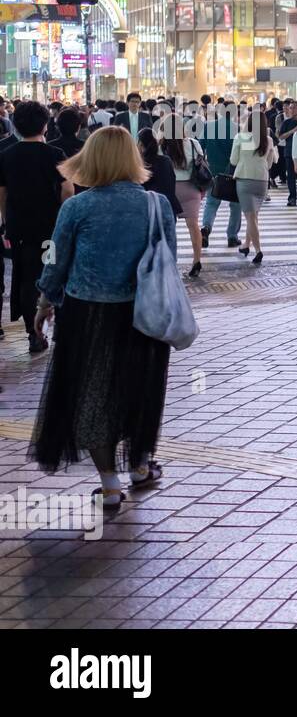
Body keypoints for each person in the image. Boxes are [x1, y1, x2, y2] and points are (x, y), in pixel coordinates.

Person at [29, 126, 175, 511]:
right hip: (143, 315)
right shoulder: (155, 205)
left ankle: (110, 485)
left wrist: (45, 302)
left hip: (86, 315)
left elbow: (55, 260)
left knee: (92, 396)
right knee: (138, 391)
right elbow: (168, 262)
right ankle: (141, 465)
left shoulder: (77, 206)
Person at [0, 101, 73, 353]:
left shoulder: (6, 155)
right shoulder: (55, 155)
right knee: (52, 272)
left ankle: (33, 333)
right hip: (50, 228)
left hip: (20, 229)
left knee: (25, 277)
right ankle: (60, 328)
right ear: (45, 125)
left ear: (17, 125)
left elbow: (3, 194)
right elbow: (67, 189)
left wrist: (6, 221)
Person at [155, 113, 206, 279]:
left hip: (170, 189)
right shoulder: (193, 143)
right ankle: (197, 260)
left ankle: (170, 262)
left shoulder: (160, 146)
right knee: (194, 227)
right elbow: (202, 163)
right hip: (191, 189)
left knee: (170, 228)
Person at [231, 111, 277, 264]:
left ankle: (258, 250)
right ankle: (246, 244)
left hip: (245, 179)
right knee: (254, 217)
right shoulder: (268, 140)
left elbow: (233, 160)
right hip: (262, 181)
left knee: (250, 218)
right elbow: (270, 163)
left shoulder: (241, 138)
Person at [200, 105, 241, 249]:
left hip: (213, 171)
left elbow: (200, 147)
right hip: (233, 172)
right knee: (236, 205)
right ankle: (232, 236)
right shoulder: (238, 128)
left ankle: (206, 228)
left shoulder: (209, 126)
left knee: (211, 202)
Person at [137, 130, 182, 219]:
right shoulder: (166, 160)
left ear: (141, 144)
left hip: (150, 210)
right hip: (169, 207)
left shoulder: (141, 164)